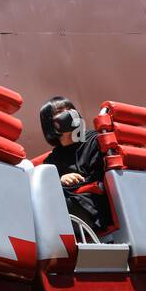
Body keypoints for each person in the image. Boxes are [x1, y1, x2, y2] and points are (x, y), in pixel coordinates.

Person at [40, 97, 109, 233]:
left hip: (93, 208)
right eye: (60, 111)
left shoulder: (95, 139)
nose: (69, 112)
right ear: (51, 124)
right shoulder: (51, 161)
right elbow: (44, 187)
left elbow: (98, 179)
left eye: (70, 108)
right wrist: (59, 180)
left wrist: (70, 184)